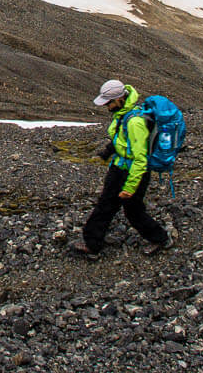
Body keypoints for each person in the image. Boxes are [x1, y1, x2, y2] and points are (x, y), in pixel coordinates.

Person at [70, 79, 172, 258]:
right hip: (118, 169)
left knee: (133, 211)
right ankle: (92, 243)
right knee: (105, 205)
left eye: (109, 102)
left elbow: (141, 159)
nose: (107, 106)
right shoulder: (124, 115)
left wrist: (130, 187)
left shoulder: (135, 122)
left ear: (120, 99)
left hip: (132, 173)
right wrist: (106, 152)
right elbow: (121, 139)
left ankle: (161, 238)